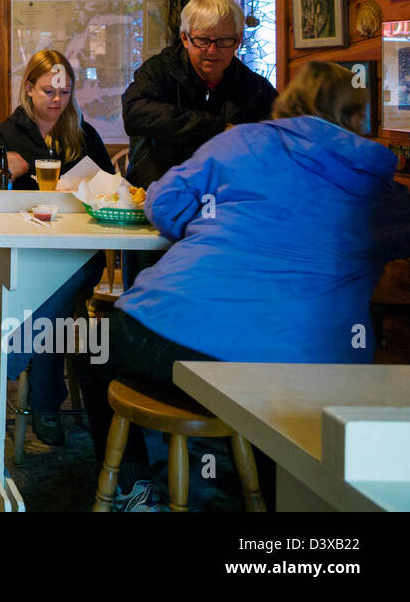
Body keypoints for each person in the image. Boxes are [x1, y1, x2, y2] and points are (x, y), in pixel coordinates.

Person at [81, 62, 410, 510]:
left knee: (91, 347)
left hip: (161, 328)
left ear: (289, 102)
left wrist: (213, 233)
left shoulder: (242, 141)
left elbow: (165, 200)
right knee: (280, 421)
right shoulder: (380, 191)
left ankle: (132, 486)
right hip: (297, 369)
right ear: (357, 117)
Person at [0, 48, 114, 446]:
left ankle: (5, 364)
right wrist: (4, 170)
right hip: (26, 251)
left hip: (81, 253)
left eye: (64, 92)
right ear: (29, 89)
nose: (56, 100)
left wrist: (87, 188)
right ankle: (47, 407)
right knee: (53, 296)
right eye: (48, 91)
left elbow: (112, 190)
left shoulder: (83, 135)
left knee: (57, 283)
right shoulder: (6, 135)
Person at [120, 0, 276, 288]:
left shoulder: (253, 87)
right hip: (155, 210)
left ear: (239, 41)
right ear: (185, 38)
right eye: (202, 40)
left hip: (223, 220)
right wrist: (218, 129)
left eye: (224, 41)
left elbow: (276, 139)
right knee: (146, 302)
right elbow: (135, 115)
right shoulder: (159, 71)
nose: (212, 50)